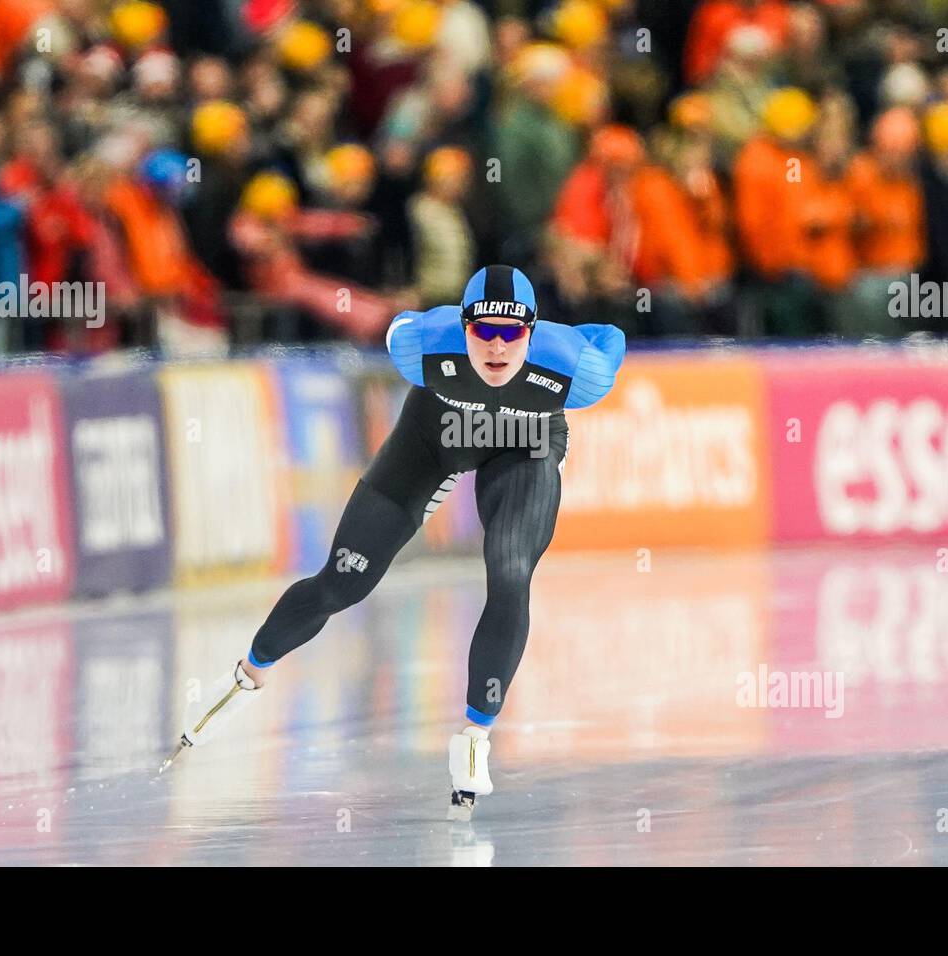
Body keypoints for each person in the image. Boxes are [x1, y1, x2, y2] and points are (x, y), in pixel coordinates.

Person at [162, 265, 626, 820]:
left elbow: (611, 338)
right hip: (432, 440)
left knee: (509, 572)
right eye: (483, 332)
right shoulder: (424, 345)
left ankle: (476, 738)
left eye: (512, 334)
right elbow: (392, 321)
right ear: (462, 326)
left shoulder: (575, 369)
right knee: (341, 582)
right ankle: (244, 677)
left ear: (533, 329)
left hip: (523, 446)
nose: (498, 348)